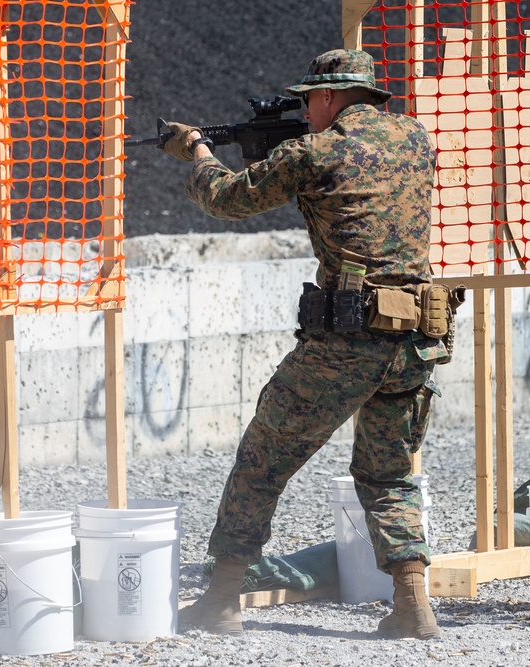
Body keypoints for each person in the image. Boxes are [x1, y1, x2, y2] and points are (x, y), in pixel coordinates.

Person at [158, 49, 445, 639]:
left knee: (263, 460)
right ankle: (413, 605)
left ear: (331, 97)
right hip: (415, 337)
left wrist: (197, 152)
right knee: (390, 473)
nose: (308, 109)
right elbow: (354, 195)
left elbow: (229, 199)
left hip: (346, 339)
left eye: (312, 98)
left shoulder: (313, 151)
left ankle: (220, 600)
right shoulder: (416, 140)